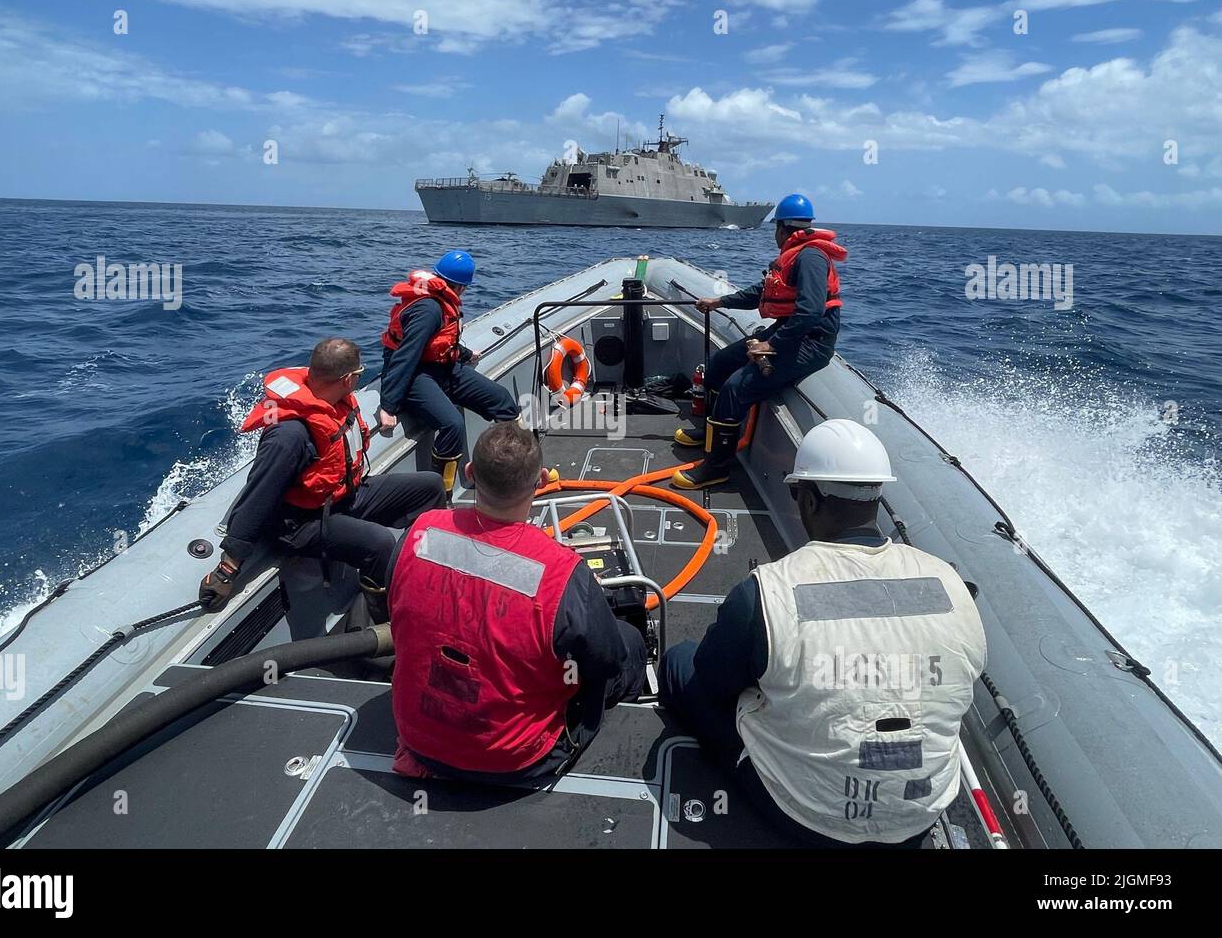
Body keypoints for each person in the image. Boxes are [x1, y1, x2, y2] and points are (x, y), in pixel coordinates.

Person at [660, 419, 986, 847]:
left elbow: (714, 682)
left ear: (809, 499)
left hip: (810, 816)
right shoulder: (950, 584)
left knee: (680, 664)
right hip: (917, 815)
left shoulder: (768, 591)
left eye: (797, 494)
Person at [387, 421, 648, 782]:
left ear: (469, 473)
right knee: (630, 643)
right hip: (516, 759)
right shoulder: (561, 572)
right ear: (542, 480)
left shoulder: (418, 533)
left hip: (421, 743)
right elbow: (608, 659)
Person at [199, 338, 445, 623]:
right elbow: (258, 495)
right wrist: (228, 567)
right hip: (301, 524)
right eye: (359, 373)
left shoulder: (334, 400)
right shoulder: (289, 436)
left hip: (344, 497)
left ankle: (427, 568)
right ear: (348, 379)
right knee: (379, 543)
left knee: (429, 486)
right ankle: (387, 623)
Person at [672, 193, 846, 489]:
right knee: (719, 364)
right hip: (789, 329)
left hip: (810, 341)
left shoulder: (811, 258)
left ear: (781, 228)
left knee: (735, 387)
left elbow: (811, 312)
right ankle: (710, 431)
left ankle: (717, 467)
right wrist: (719, 302)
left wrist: (771, 345)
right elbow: (762, 293)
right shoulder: (796, 255)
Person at [377, 250, 520, 493]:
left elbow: (440, 342)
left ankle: (511, 471)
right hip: (416, 375)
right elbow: (406, 355)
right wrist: (388, 406)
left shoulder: (442, 301)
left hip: (442, 367)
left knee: (504, 402)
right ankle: (442, 495)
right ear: (463, 287)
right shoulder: (429, 309)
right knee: (452, 425)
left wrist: (465, 355)